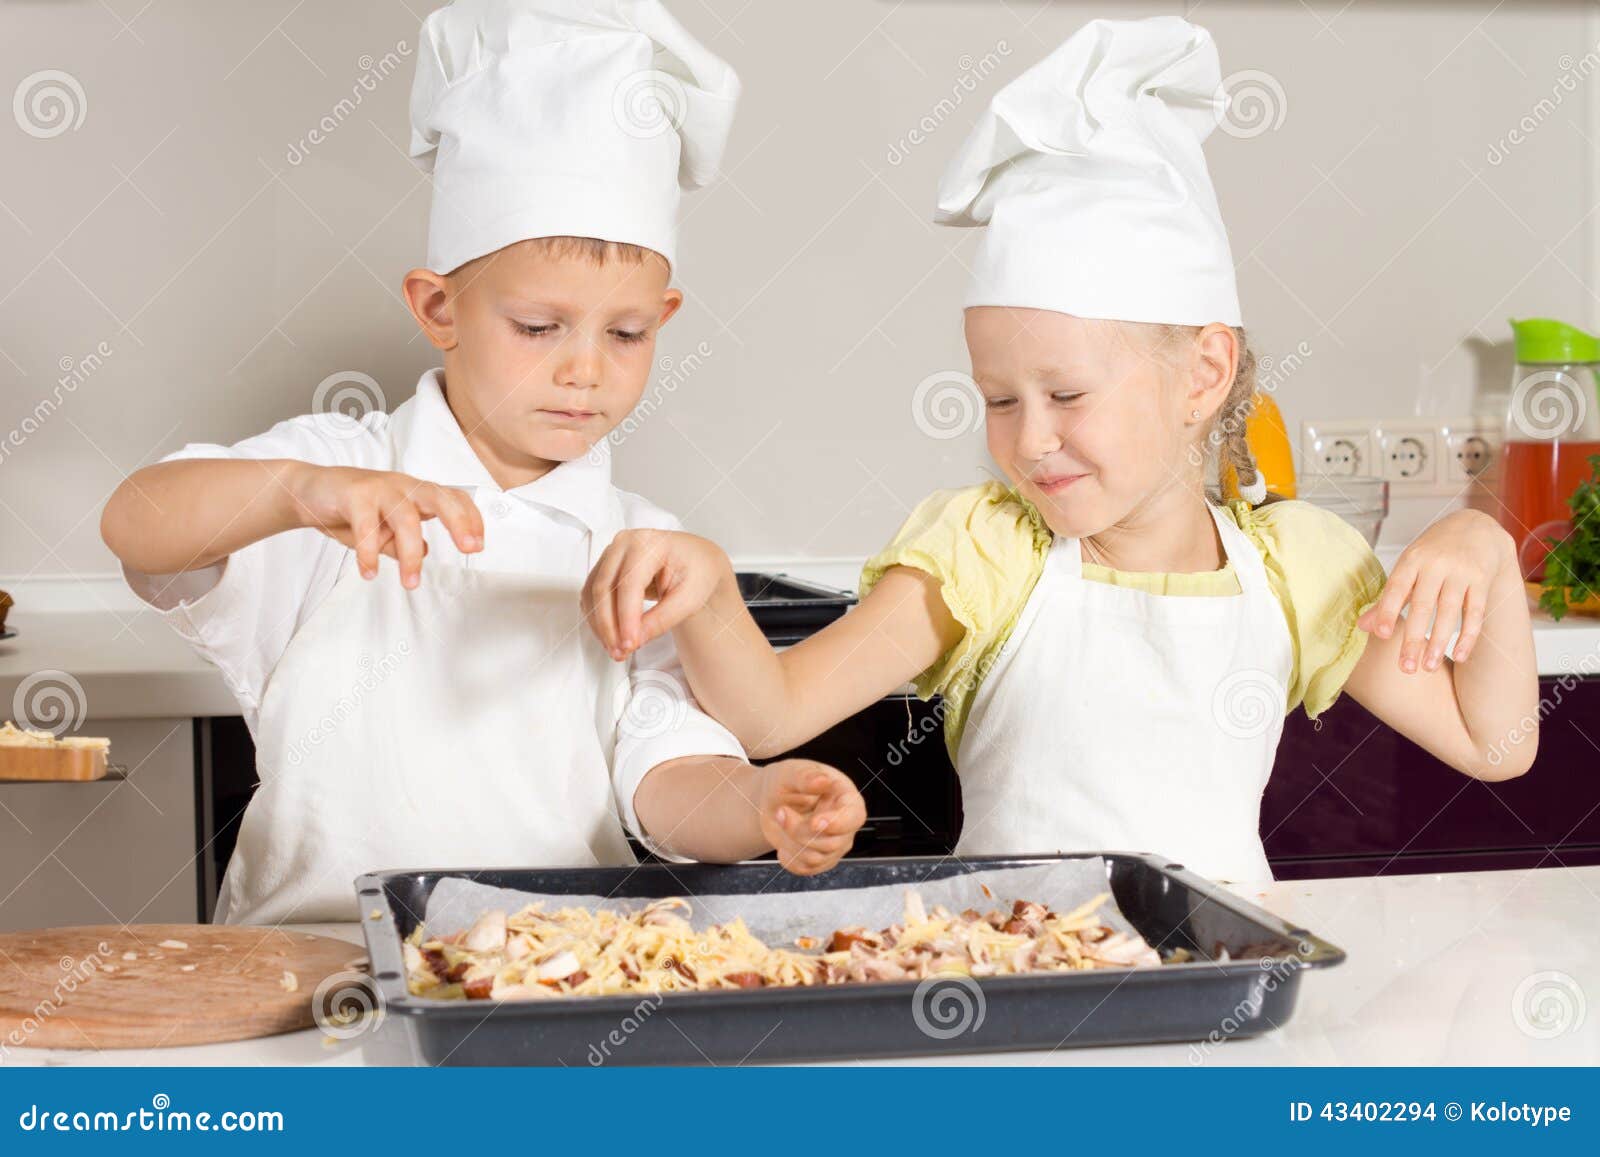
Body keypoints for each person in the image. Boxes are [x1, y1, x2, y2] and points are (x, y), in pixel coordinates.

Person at [581, 16, 1540, 886]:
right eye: (999, 399)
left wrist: (1485, 547)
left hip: (1214, 986)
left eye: (1067, 394)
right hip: (1013, 983)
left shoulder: (1301, 569)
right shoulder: (989, 553)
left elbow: (1496, 747)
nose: (1029, 439)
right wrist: (707, 589)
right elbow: (770, 715)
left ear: (1203, 374)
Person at [99, 0, 865, 924]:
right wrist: (297, 491)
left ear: (664, 319)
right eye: (539, 327)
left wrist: (759, 805)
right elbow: (138, 523)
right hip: (313, 959)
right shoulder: (340, 477)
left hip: (550, 977)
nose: (585, 368)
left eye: (624, 333)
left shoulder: (644, 549)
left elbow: (664, 780)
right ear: (439, 308)